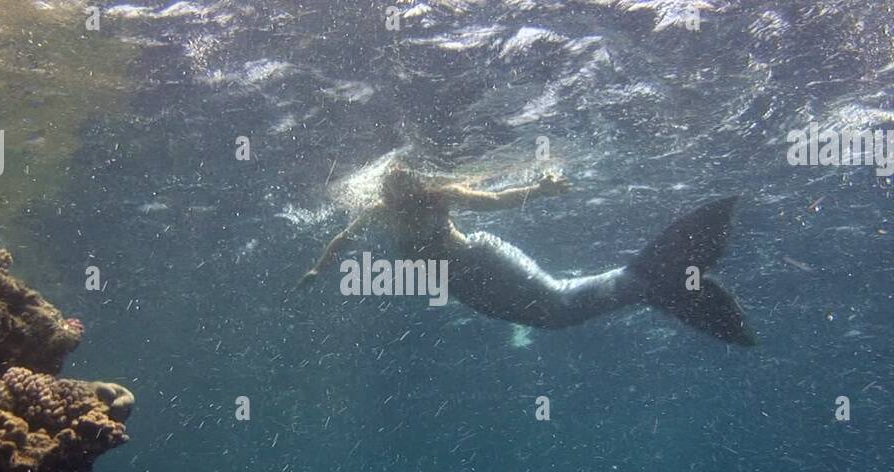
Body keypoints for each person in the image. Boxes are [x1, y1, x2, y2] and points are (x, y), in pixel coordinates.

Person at [297, 165, 755, 346]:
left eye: (405, 190)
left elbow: (494, 201)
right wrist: (320, 267)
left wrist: (541, 189)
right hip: (459, 285)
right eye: (393, 192)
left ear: (414, 187)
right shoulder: (380, 213)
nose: (400, 197)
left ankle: (646, 278)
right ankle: (651, 284)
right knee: (550, 318)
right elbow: (343, 239)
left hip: (481, 261)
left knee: (556, 304)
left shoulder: (439, 197)